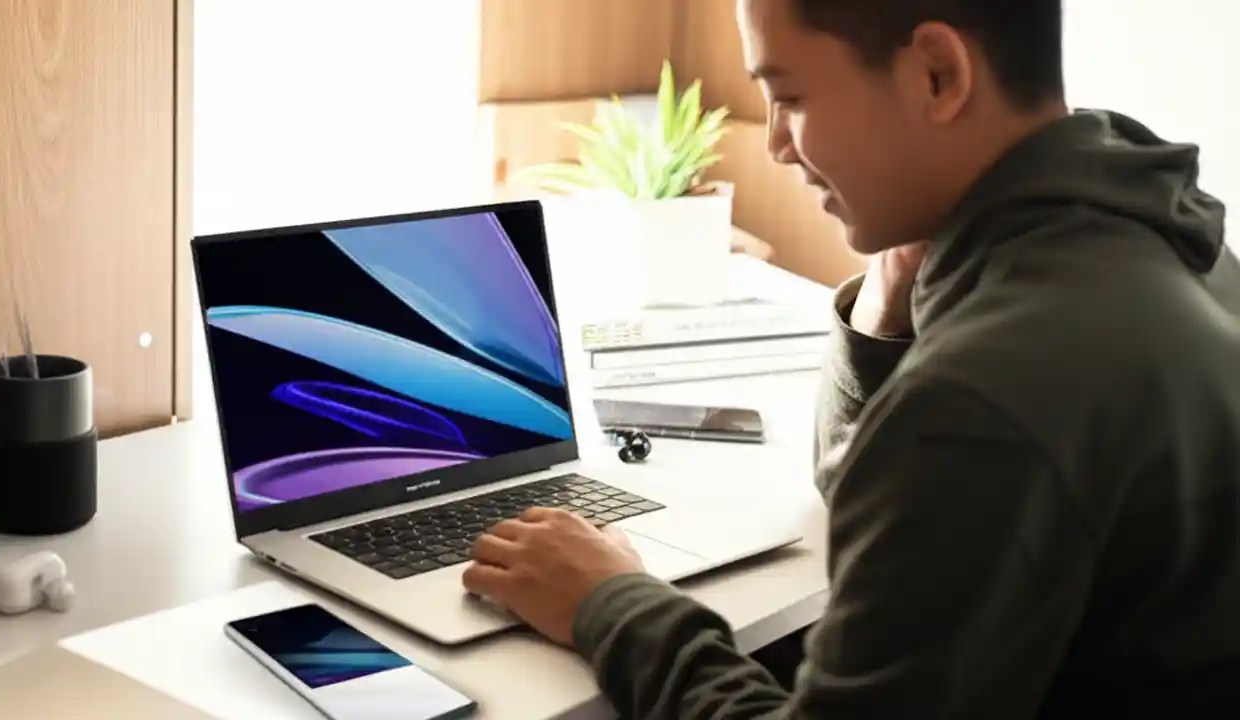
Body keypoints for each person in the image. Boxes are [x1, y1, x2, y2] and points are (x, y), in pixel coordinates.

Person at [462, 0, 1240, 716]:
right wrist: (896, 287)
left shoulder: (984, 395)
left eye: (790, 97)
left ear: (937, 74)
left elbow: (929, 447)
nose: (776, 144)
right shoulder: (1169, 245)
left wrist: (608, 600)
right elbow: (864, 486)